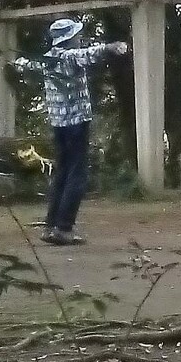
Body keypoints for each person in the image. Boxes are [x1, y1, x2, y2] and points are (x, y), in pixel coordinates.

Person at [29, 18, 128, 246]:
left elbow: (26, 63)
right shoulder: (68, 56)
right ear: (69, 38)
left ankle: (50, 226)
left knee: (63, 173)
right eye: (76, 35)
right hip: (76, 123)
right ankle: (64, 228)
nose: (79, 38)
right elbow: (85, 55)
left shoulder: (47, 59)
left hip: (58, 124)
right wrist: (109, 47)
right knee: (77, 174)